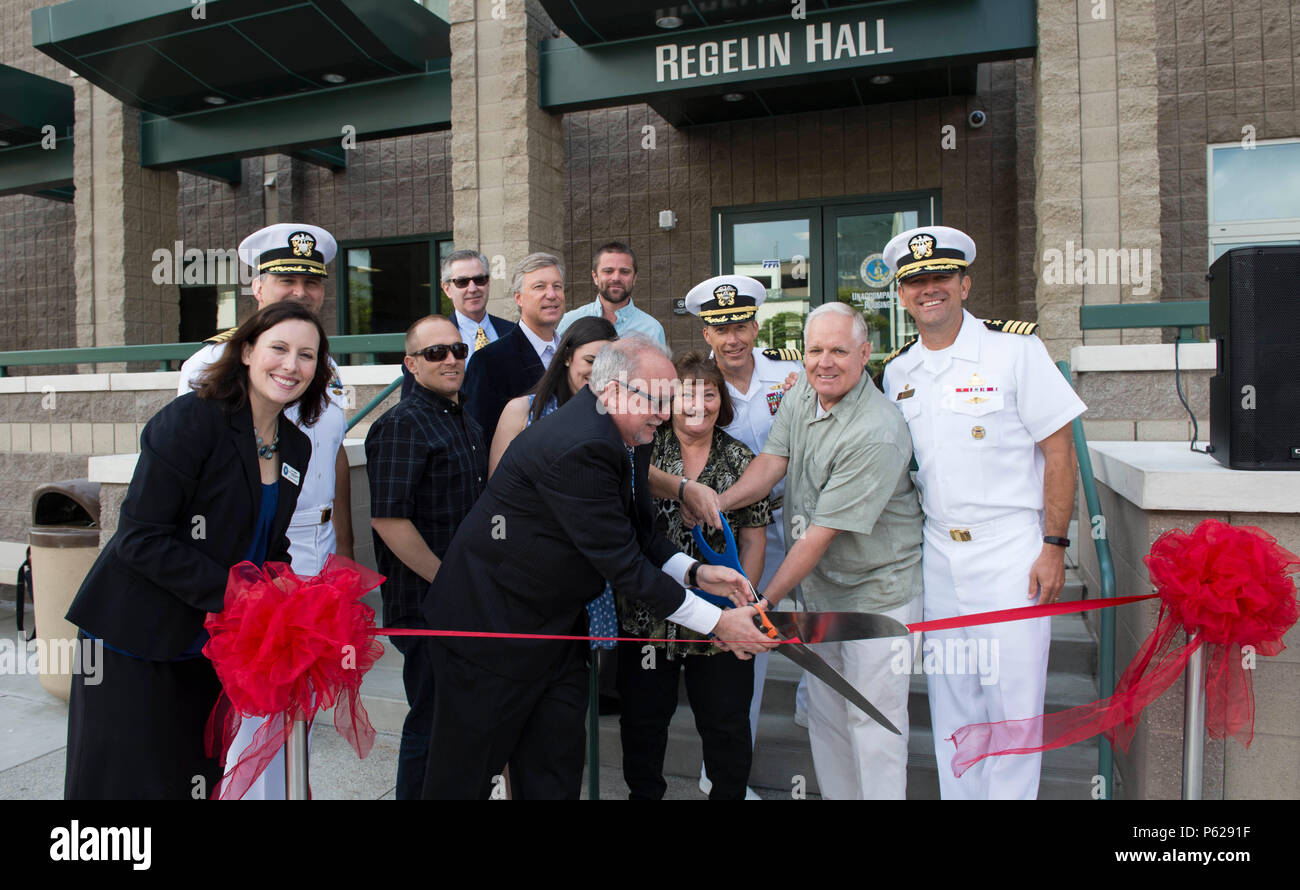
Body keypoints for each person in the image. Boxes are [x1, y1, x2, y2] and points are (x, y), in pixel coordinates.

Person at [420, 336, 776, 799]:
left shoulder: (632, 431)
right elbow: (623, 564)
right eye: (657, 401)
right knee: (463, 775)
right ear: (611, 392)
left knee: (555, 767)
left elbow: (638, 531)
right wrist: (718, 622)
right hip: (489, 630)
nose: (665, 414)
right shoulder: (581, 446)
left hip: (556, 629)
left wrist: (695, 572)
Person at [65, 302, 331, 799]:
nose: (291, 366)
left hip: (209, 643)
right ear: (248, 351)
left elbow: (270, 547)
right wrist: (242, 596)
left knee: (190, 774)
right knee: (125, 782)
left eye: (307, 355)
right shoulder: (193, 420)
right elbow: (140, 537)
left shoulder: (295, 446)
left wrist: (291, 597)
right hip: (136, 638)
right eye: (279, 348)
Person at [880, 225, 1086, 800]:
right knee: (952, 701)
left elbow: (1059, 454)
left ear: (965, 284)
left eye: (940, 277)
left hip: (1012, 552)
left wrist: (1054, 546)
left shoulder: (1016, 351)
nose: (929, 289)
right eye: (915, 281)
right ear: (901, 295)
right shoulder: (898, 373)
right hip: (940, 554)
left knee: (1013, 706)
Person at [716, 303, 923, 800]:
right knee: (827, 717)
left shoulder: (877, 429)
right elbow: (771, 462)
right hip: (821, 592)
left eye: (838, 350)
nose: (824, 362)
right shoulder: (804, 393)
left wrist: (762, 604)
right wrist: (713, 504)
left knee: (873, 722)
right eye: (814, 350)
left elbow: (817, 536)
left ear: (866, 354)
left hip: (877, 596)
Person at [176, 222, 352, 800]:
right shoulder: (210, 366)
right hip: (255, 560)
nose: (300, 290)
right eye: (285, 279)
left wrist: (343, 556)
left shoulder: (326, 367)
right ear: (256, 286)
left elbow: (333, 463)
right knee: (248, 706)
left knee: (293, 710)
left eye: (312, 281)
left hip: (315, 556)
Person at [667, 274, 805, 796]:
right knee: (740, 651)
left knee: (816, 634)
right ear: (706, 332)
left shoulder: (792, 375)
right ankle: (720, 774)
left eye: (742, 325)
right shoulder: (694, 387)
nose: (733, 338)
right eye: (720, 328)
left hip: (796, 527)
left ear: (755, 324)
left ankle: (815, 710)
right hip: (723, 541)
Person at [618, 351, 771, 800]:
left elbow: (754, 540)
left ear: (721, 401)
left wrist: (743, 602)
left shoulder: (740, 458)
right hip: (649, 615)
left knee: (726, 724)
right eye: (687, 394)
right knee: (643, 722)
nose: (697, 405)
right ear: (669, 399)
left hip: (722, 621)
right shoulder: (645, 447)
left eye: (708, 395)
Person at [365, 314, 487, 801]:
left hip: (465, 600)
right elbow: (389, 521)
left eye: (457, 349)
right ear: (411, 364)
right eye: (436, 353)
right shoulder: (401, 425)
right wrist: (449, 581)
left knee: (457, 721)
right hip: (427, 603)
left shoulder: (465, 419)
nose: (451, 360)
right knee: (431, 722)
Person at [489, 316, 617, 473]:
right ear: (567, 357)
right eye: (590, 361)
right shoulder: (522, 410)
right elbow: (497, 484)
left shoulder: (616, 414)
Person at [463, 252, 566, 445]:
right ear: (519, 298)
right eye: (539, 287)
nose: (551, 294)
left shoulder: (573, 353)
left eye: (557, 286)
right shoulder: (489, 361)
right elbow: (480, 437)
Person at [399, 249, 517, 398]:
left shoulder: (514, 332)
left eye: (479, 280)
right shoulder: (427, 345)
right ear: (447, 289)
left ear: (488, 284)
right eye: (462, 282)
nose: (473, 289)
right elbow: (412, 406)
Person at [557, 241, 666, 345]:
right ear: (595, 277)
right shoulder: (571, 321)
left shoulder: (652, 330)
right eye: (608, 271)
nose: (616, 278)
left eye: (624, 272)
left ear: (634, 278)